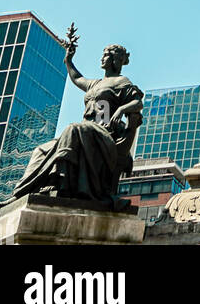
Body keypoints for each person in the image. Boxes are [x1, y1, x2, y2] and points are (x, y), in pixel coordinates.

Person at [10, 33, 143, 206]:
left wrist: (121, 109)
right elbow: (77, 78)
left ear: (115, 60)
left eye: (106, 56)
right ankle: (23, 192)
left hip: (104, 131)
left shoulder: (121, 81)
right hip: (85, 130)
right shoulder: (95, 84)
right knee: (41, 150)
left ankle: (62, 182)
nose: (102, 59)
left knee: (73, 129)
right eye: (102, 55)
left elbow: (137, 102)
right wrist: (69, 60)